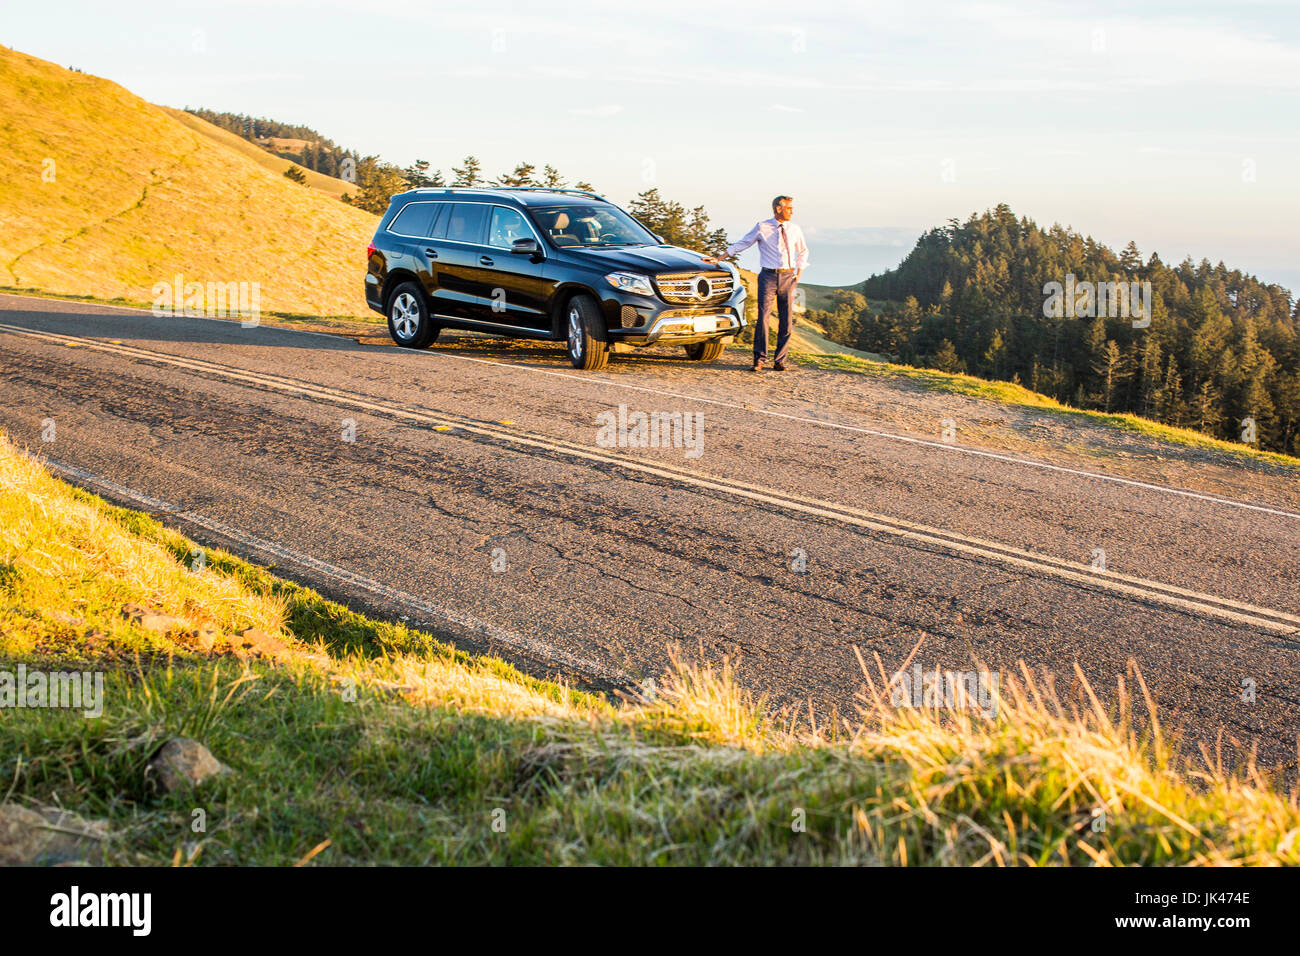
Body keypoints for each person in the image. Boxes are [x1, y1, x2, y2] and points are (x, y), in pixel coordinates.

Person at [705, 195, 809, 371]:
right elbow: (743, 243)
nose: (792, 211)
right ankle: (759, 359)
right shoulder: (763, 227)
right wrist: (719, 258)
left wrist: (798, 275)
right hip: (768, 277)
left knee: (787, 320)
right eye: (789, 208)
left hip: (788, 277)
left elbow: (803, 251)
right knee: (763, 318)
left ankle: (780, 360)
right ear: (778, 208)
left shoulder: (795, 229)